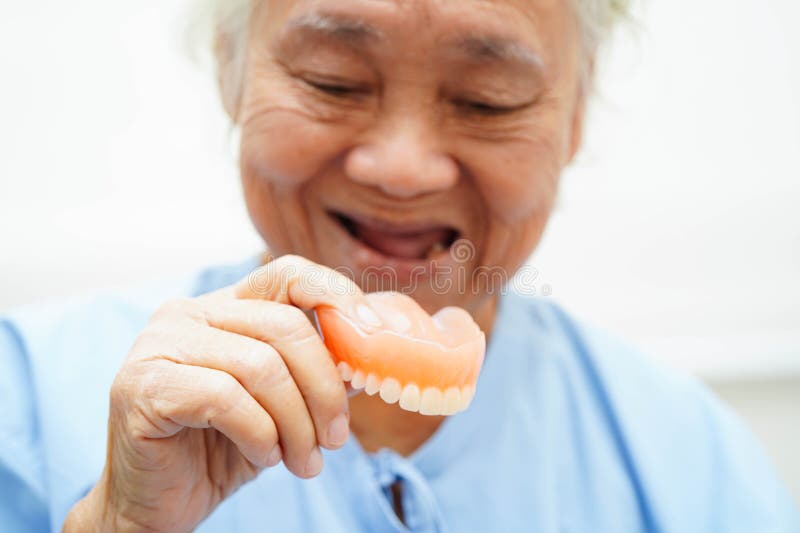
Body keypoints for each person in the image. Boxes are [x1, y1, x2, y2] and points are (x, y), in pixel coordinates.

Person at [2, 0, 798, 531]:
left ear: (576, 116)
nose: (402, 167)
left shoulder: (693, 462)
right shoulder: (27, 393)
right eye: (333, 82)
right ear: (231, 72)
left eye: (487, 99)